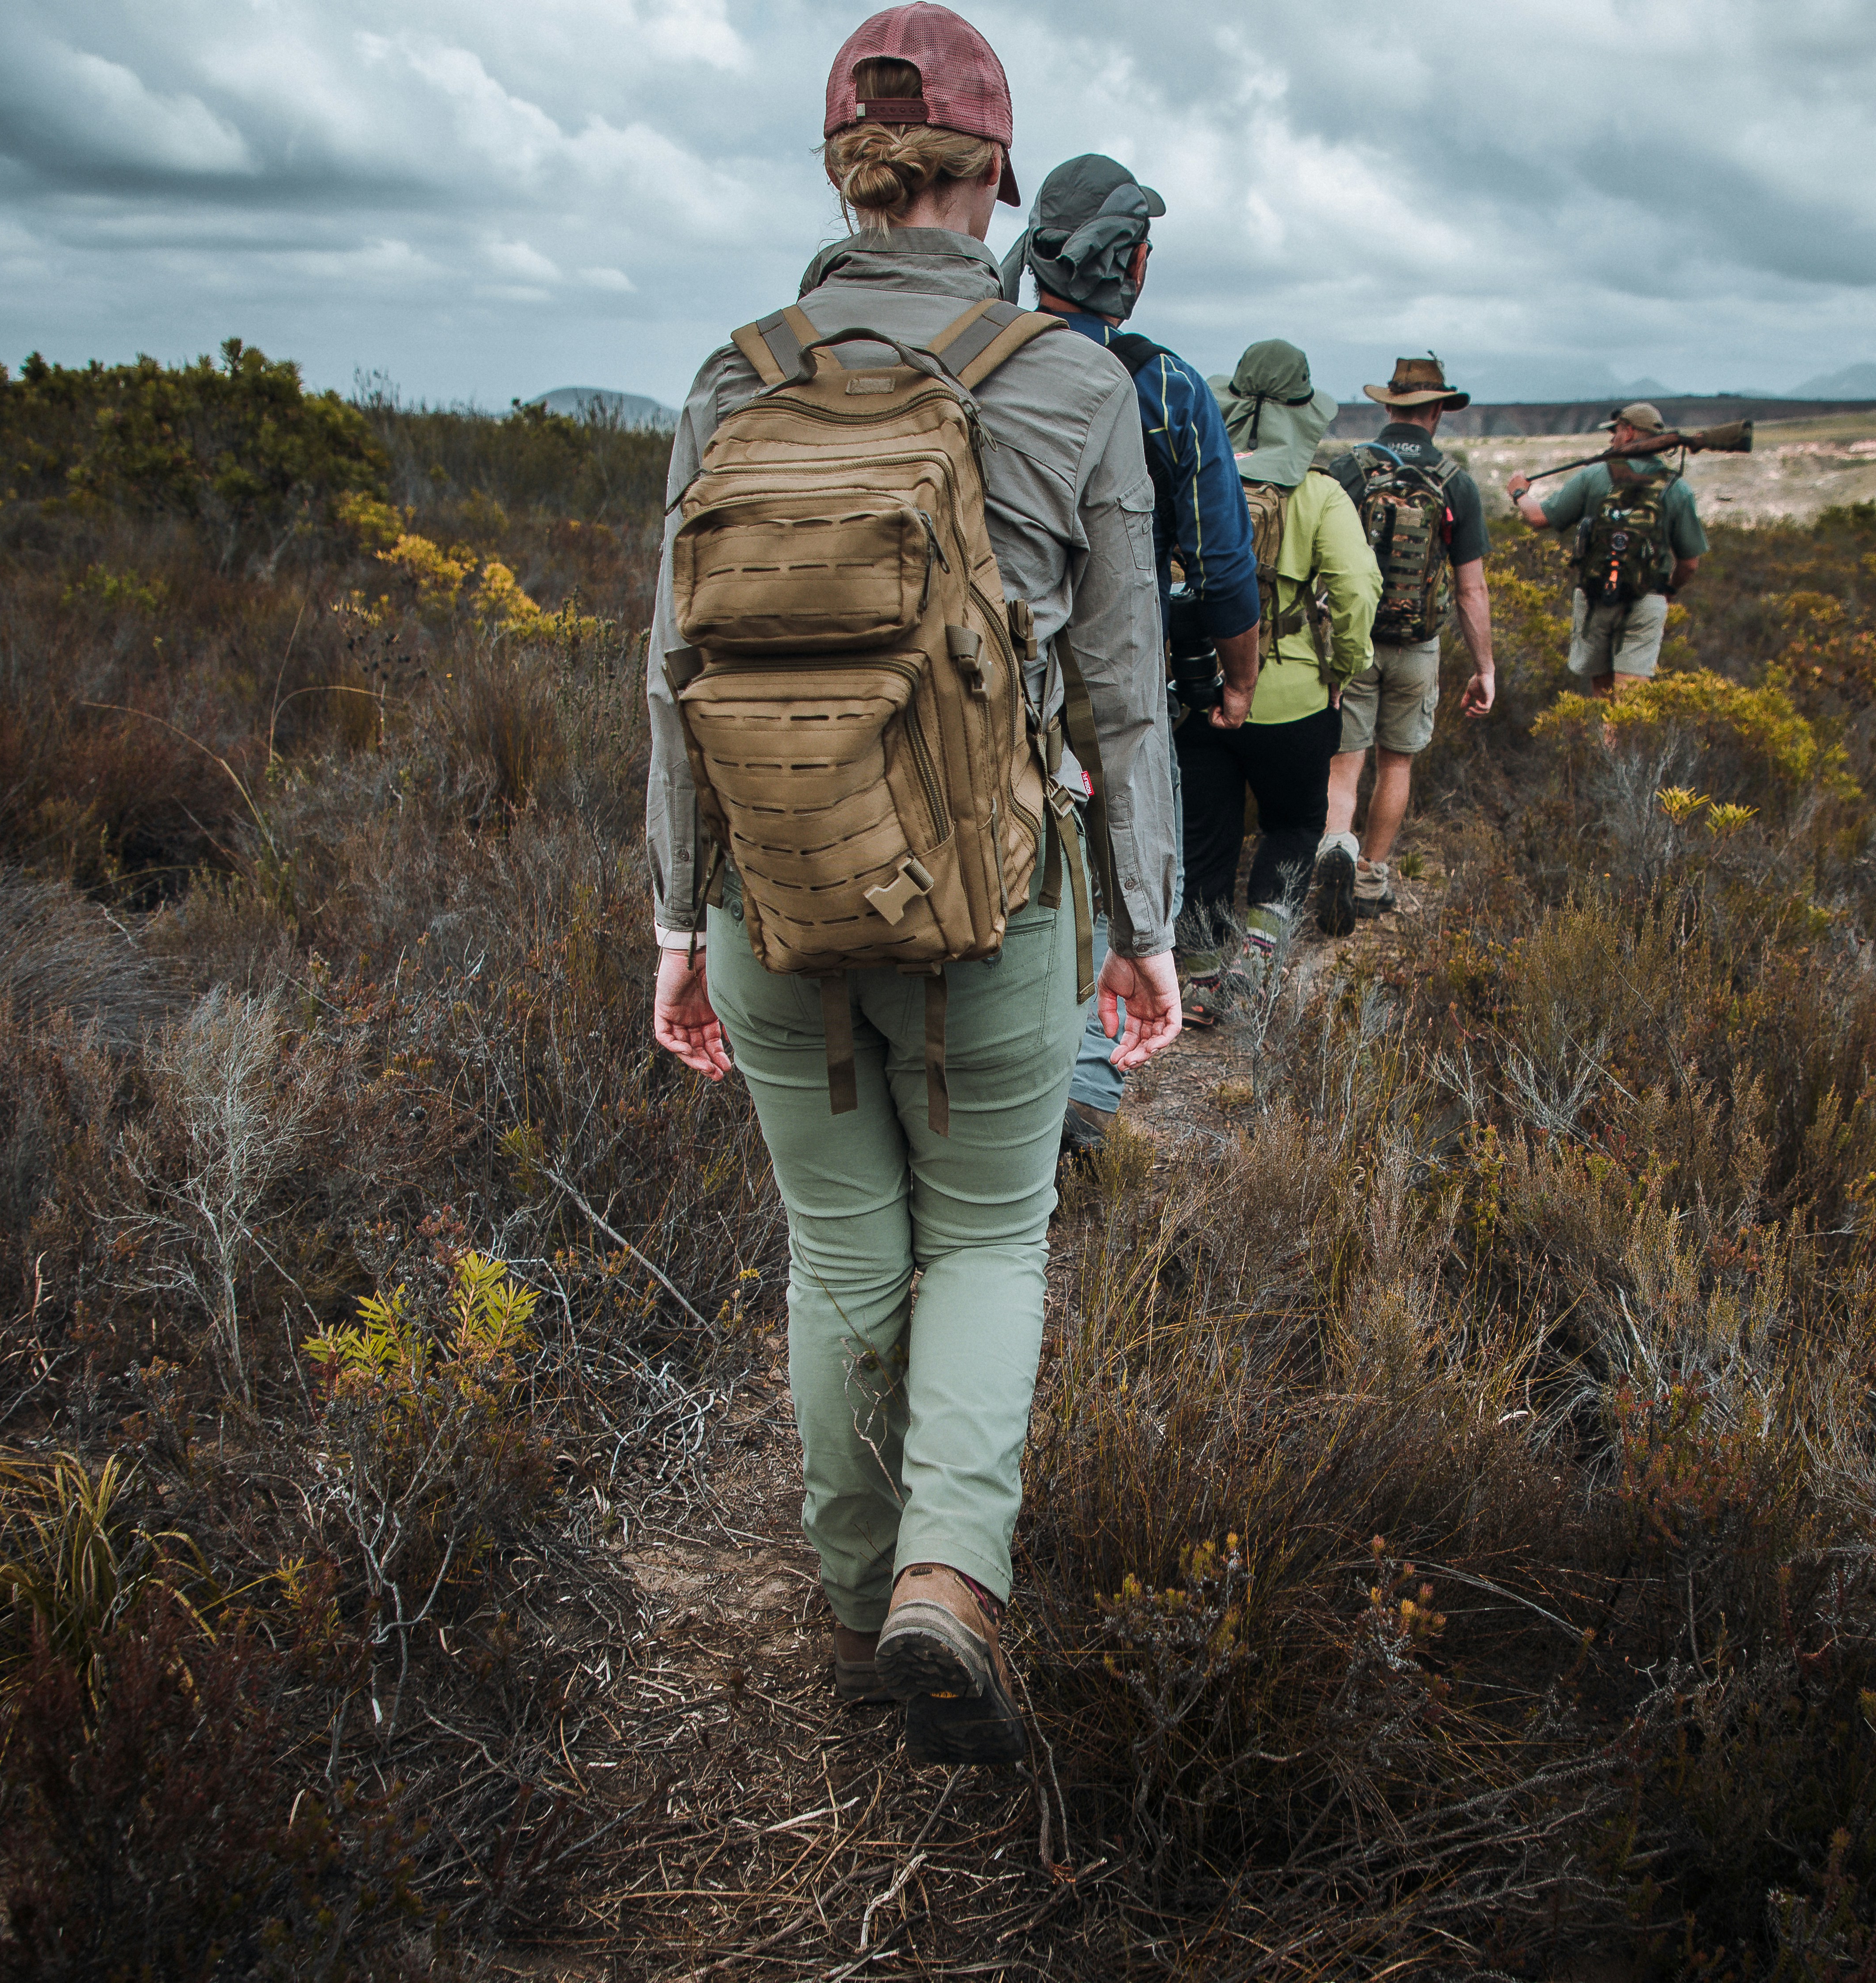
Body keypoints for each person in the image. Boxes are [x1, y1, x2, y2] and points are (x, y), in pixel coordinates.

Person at [646, 1, 1182, 1768]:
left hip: (769, 905)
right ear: (992, 172)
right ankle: (948, 1582)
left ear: (843, 165)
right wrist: (1153, 925)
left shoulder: (732, 379)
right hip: (994, 904)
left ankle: (848, 1576)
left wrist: (675, 918)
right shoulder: (1072, 380)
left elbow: (670, 672)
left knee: (842, 1251)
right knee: (986, 1239)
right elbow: (1123, 689)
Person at [995, 154, 1264, 1130]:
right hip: (1109, 678)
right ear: (1131, 266)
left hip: (984, 686)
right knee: (1110, 892)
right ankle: (1080, 1105)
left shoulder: (975, 358)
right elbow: (1224, 563)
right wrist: (1237, 681)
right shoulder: (1163, 389)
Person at [1186, 339, 1377, 1003]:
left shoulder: (1193, 478)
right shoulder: (1321, 494)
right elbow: (1356, 589)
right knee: (1294, 826)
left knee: (1204, 835)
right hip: (1294, 698)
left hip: (1198, 690)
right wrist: (1344, 671)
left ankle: (1204, 974)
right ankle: (1259, 963)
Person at [1323, 355, 1496, 917]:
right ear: (1439, 409)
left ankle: (1335, 855)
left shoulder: (1349, 469)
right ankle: (1371, 881)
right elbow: (1471, 590)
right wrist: (1485, 667)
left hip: (1353, 642)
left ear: (1389, 405)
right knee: (1396, 763)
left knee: (1343, 763)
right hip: (1418, 646)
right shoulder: (1457, 483)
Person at [1506, 401, 1708, 689]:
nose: (1611, 439)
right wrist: (1668, 592)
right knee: (1630, 701)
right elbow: (1689, 563)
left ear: (1628, 432)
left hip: (1596, 595)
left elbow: (1539, 518)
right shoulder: (1676, 487)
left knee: (1602, 692)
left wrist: (1519, 494)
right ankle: (1624, 736)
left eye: (1614, 432)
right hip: (1647, 599)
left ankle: (1603, 735)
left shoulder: (1594, 476)